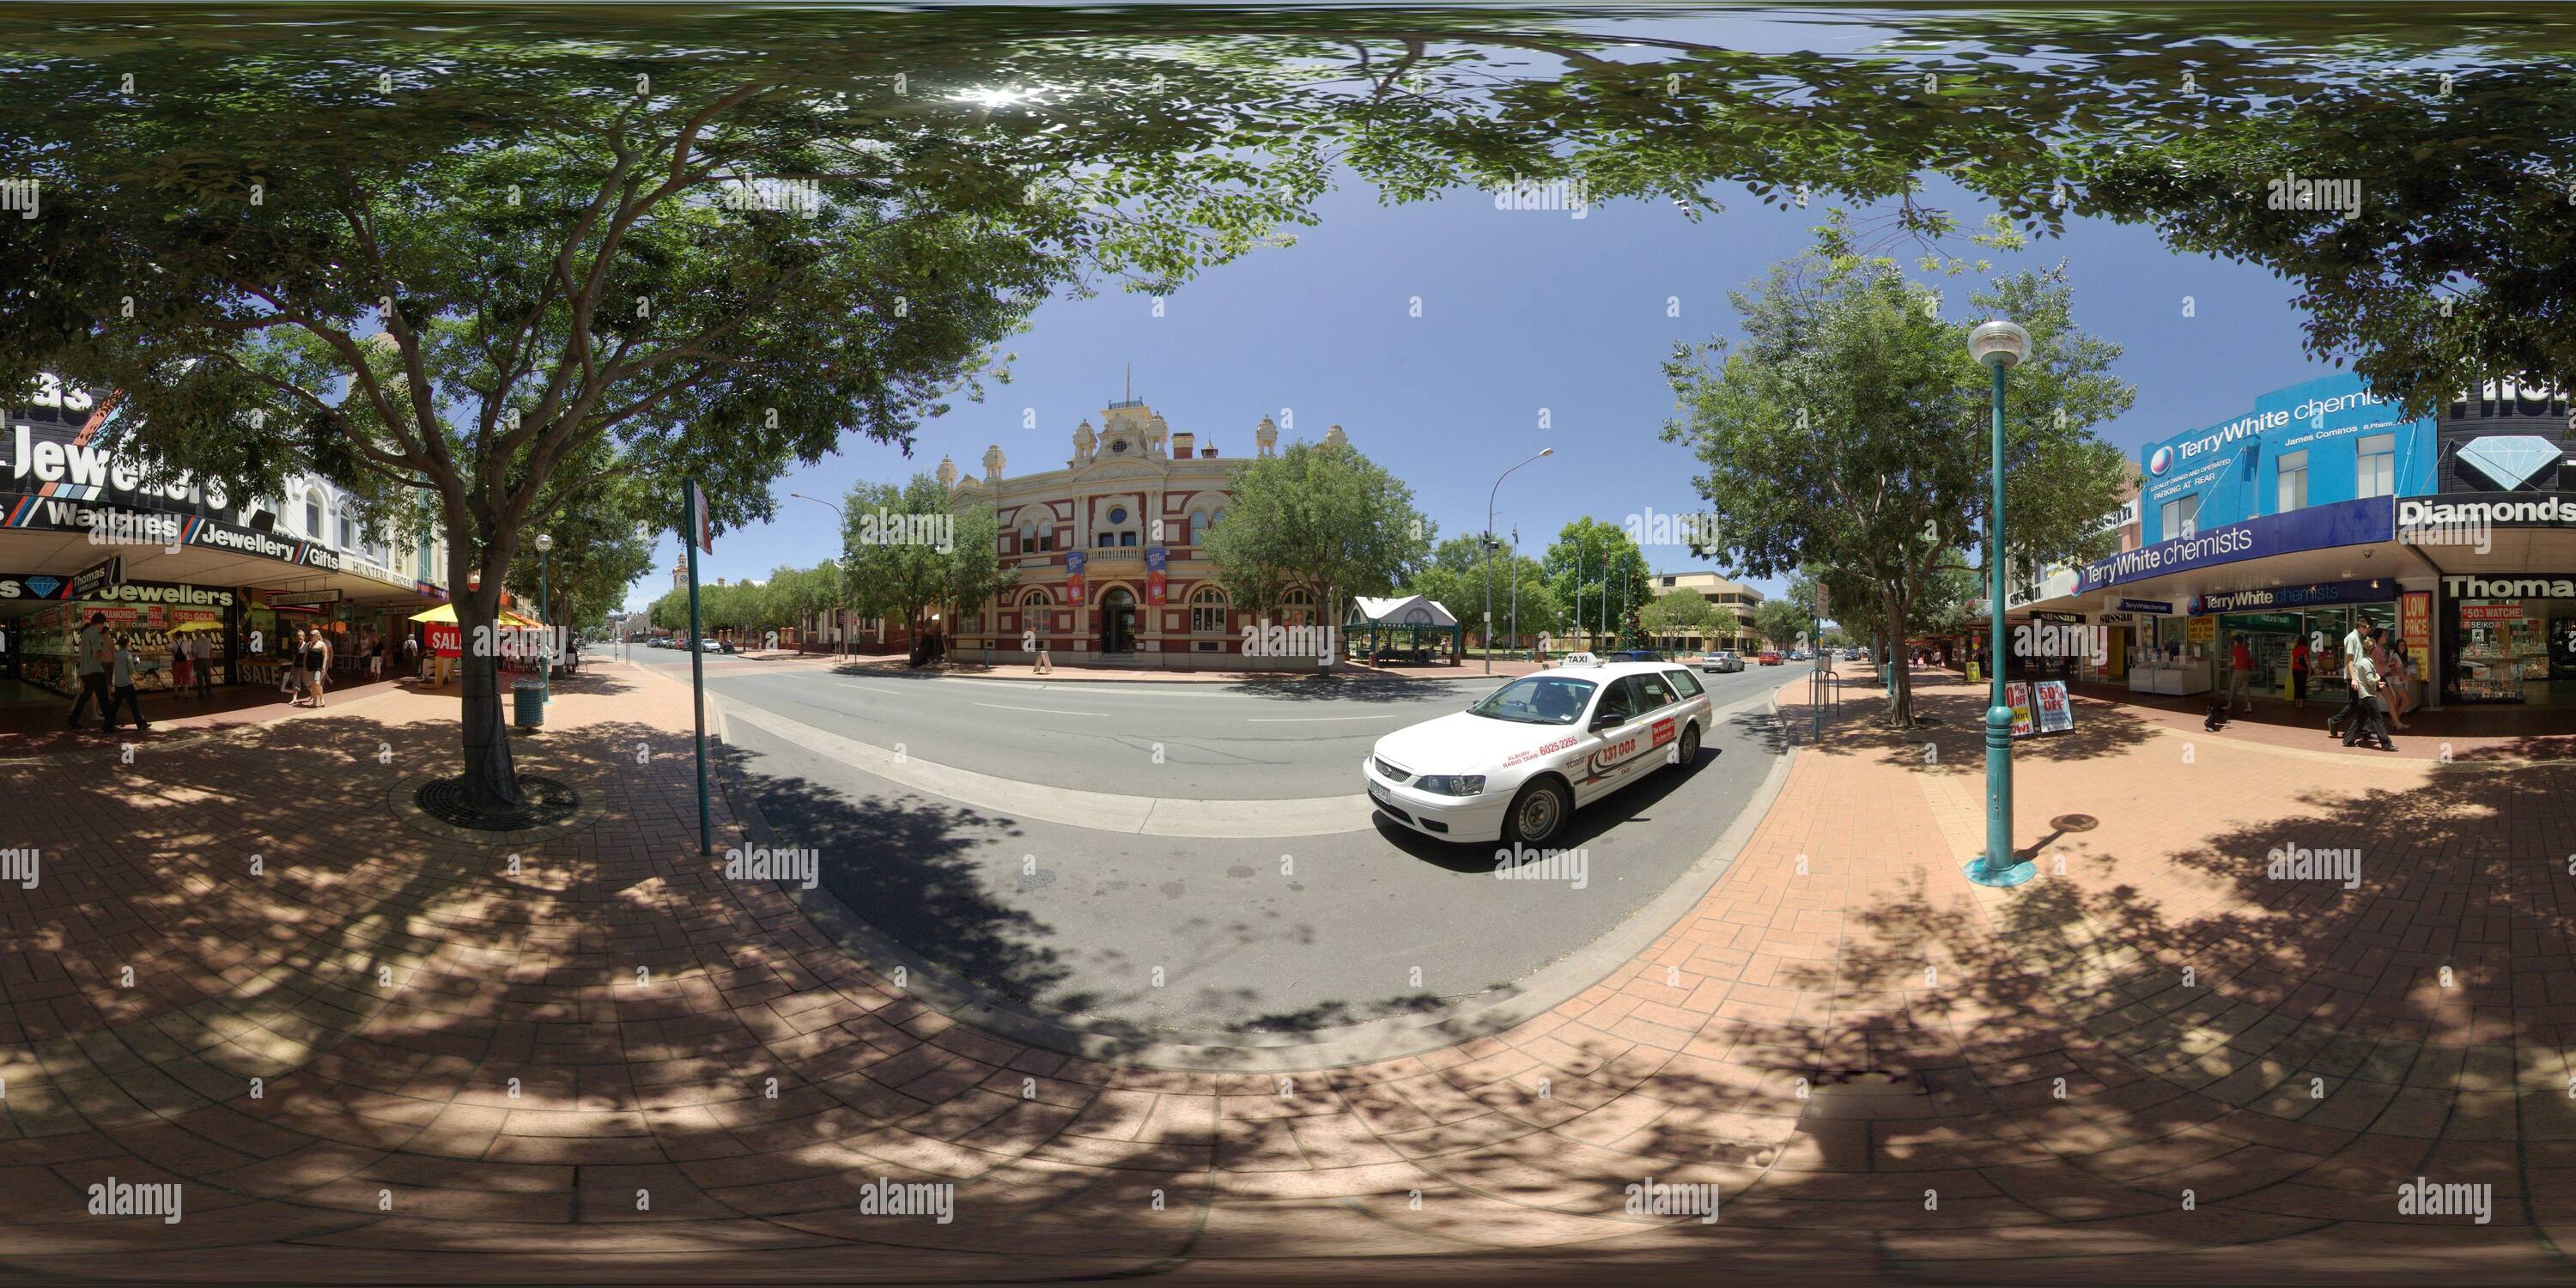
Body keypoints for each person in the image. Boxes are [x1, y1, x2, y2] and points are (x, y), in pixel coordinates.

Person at [2344, 624, 2397, 750]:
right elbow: (2369, 679)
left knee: (2360, 719)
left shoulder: (2364, 661)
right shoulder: (2366, 663)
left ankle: (2348, 739)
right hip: (2368, 694)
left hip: (2364, 694)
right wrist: (2378, 680)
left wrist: (2377, 683)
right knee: (2377, 718)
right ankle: (2386, 744)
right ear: (2372, 650)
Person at [66, 611, 112, 729]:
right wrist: (103, 653)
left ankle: (73, 719)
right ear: (100, 623)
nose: (103, 626)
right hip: (95, 670)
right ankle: (109, 723)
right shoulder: (96, 635)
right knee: (103, 698)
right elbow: (95, 654)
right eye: (103, 624)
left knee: (85, 696)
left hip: (85, 670)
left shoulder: (85, 633)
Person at [2326, 620, 2371, 740]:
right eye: (2368, 627)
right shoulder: (2352, 638)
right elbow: (2349, 659)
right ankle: (2335, 721)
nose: (2369, 629)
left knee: (2359, 703)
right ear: (2361, 626)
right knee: (2358, 703)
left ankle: (2363, 729)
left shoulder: (2360, 638)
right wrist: (2354, 679)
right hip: (2353, 676)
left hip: (2358, 675)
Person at [106, 633, 151, 732]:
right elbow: (131, 670)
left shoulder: (117, 654)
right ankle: (141, 724)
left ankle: (108, 725)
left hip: (118, 683)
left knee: (115, 705)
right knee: (134, 705)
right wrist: (136, 662)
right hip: (127, 684)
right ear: (127, 643)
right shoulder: (128, 655)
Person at [2377, 632, 2413, 731]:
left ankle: (2395, 721)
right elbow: (2393, 670)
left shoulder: (2400, 656)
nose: (2403, 647)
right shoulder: (2395, 656)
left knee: (2397, 703)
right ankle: (2394, 720)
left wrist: (2405, 675)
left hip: (2398, 683)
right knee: (2407, 702)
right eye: (2401, 645)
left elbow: (2398, 669)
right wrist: (2404, 677)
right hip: (2397, 683)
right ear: (2397, 646)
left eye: (2404, 645)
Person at [2227, 635, 2256, 713]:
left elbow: (2234, 662)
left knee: (2233, 687)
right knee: (2246, 688)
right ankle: (2249, 706)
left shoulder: (2235, 648)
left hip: (2238, 671)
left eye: (2234, 641)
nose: (2233, 642)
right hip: (2246, 671)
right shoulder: (2246, 649)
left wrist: (2229, 664)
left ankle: (2229, 705)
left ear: (2236, 641)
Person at [2288, 635, 2310, 711]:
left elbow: (2294, 658)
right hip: (2302, 670)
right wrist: (2310, 669)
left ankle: (2297, 703)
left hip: (2295, 669)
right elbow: (2306, 660)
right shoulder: (2304, 648)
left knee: (2296, 686)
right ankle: (2301, 704)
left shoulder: (2295, 649)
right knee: (2302, 687)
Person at [170, 632, 192, 696]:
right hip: (186, 661)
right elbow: (190, 653)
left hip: (176, 661)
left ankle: (176, 693)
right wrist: (191, 661)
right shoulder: (186, 642)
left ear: (176, 636)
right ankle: (186, 694)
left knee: (176, 677)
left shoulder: (173, 642)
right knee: (185, 677)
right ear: (182, 636)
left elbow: (166, 648)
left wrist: (173, 651)